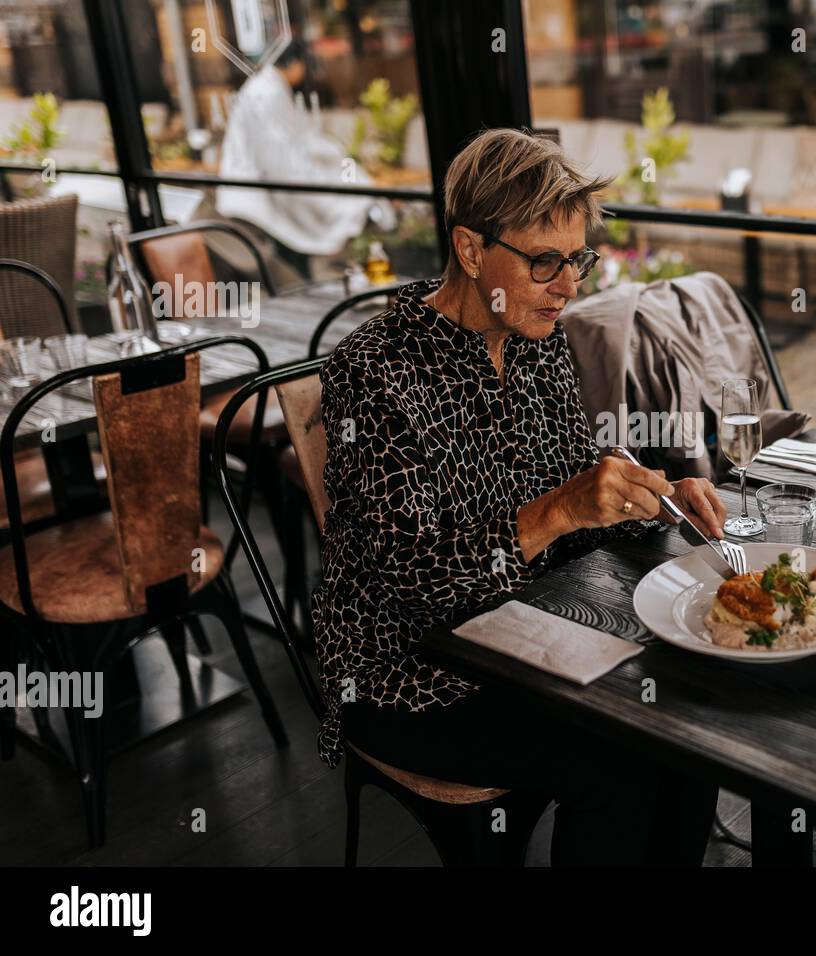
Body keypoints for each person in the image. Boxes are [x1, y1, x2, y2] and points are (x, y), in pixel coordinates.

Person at [312, 129, 726, 865]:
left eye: (578, 261)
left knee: (687, 730)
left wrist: (647, 499)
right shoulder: (374, 372)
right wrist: (562, 508)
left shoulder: (535, 339)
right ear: (471, 251)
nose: (570, 287)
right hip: (404, 676)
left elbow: (575, 510)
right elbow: (417, 588)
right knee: (621, 766)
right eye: (545, 262)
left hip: (528, 627)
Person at [216, 38, 393, 275]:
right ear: (295, 63)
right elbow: (284, 151)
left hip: (253, 187)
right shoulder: (268, 92)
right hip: (258, 194)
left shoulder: (264, 87)